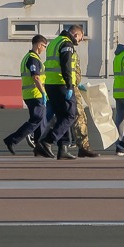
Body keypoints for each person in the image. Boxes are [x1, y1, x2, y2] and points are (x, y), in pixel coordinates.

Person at [39, 25, 84, 160]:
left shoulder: (54, 42)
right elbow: (66, 66)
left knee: (61, 116)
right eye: (80, 39)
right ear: (75, 35)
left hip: (50, 84)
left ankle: (63, 148)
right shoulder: (67, 44)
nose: (79, 42)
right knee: (71, 115)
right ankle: (48, 141)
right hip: (61, 84)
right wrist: (70, 85)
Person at [4, 35, 49, 155]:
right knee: (37, 119)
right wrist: (43, 93)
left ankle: (39, 148)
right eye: (44, 46)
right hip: (35, 94)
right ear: (39, 45)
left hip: (31, 94)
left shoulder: (28, 57)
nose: (44, 49)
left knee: (41, 121)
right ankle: (12, 140)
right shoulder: (33, 58)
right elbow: (36, 77)